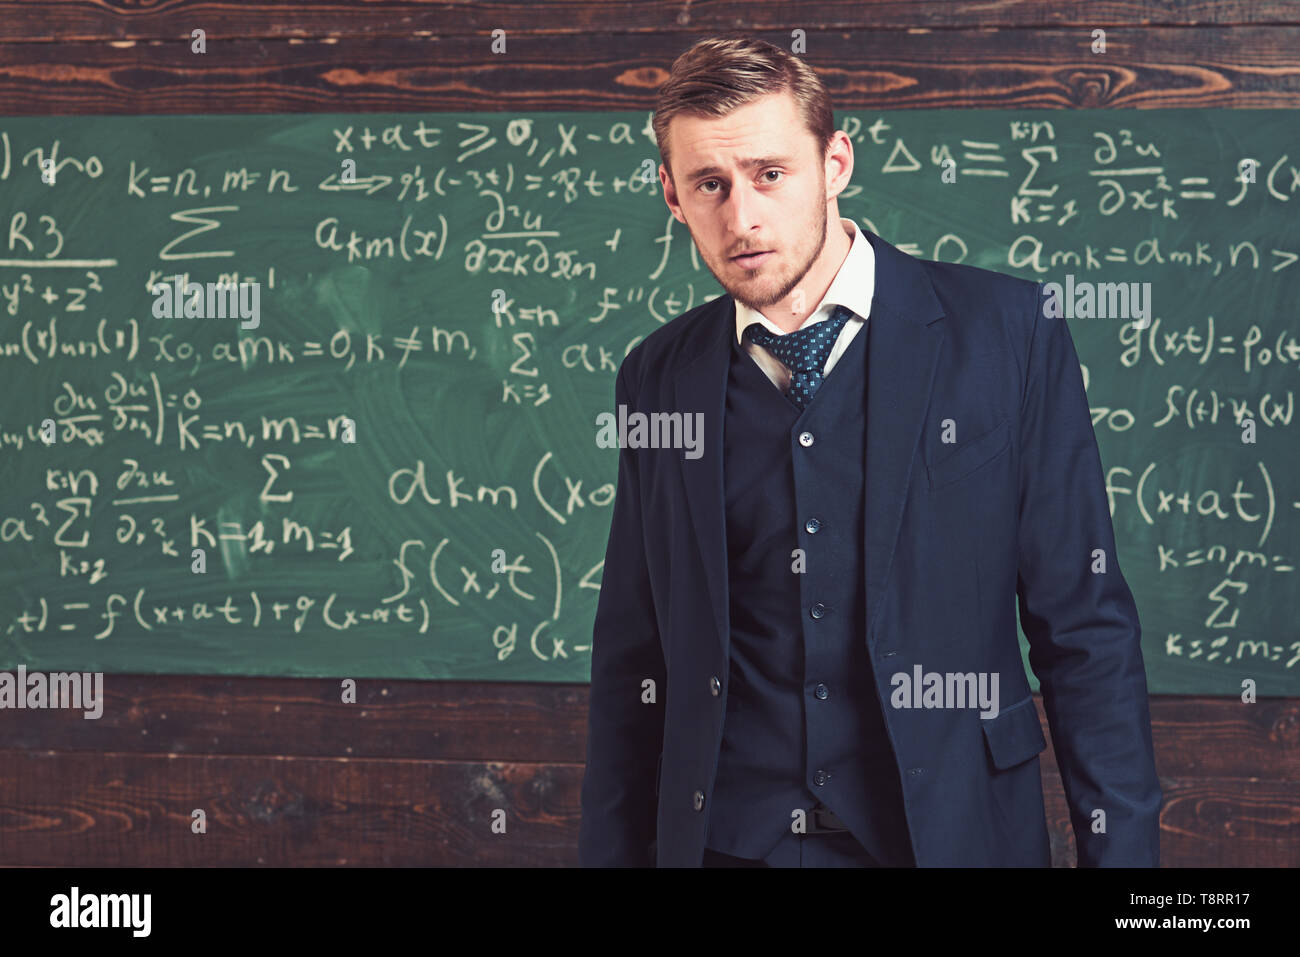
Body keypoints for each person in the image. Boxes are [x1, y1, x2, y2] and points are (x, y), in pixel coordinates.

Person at [578, 35, 1162, 867]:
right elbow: (631, 657)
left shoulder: (1007, 336)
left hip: (946, 835)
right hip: (730, 843)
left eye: (770, 174)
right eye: (711, 185)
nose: (741, 218)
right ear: (672, 194)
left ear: (836, 163)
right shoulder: (657, 376)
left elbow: (1085, 631)